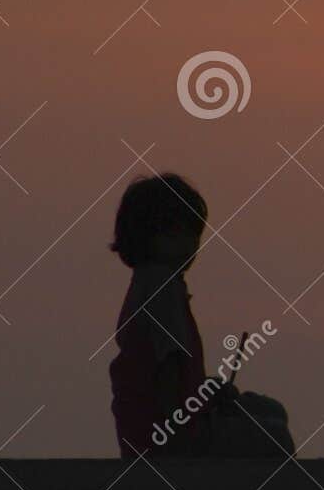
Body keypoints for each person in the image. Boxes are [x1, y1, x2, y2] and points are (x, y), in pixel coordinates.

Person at [107, 173, 291, 459]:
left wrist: (205, 394)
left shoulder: (145, 285)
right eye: (180, 233)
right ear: (150, 234)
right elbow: (167, 371)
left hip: (149, 433)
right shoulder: (162, 291)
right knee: (277, 437)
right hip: (171, 438)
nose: (192, 244)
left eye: (196, 234)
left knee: (268, 411)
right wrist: (178, 434)